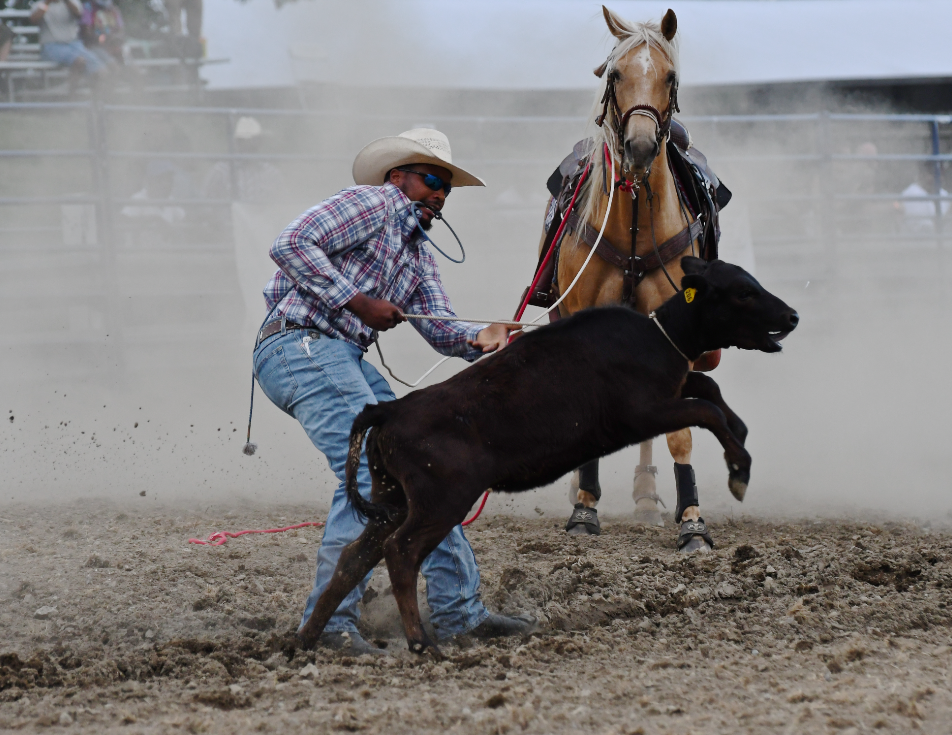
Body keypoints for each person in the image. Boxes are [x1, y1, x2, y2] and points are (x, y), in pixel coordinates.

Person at [253, 128, 536, 655]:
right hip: (301, 346)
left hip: (334, 355)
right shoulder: (373, 202)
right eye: (432, 179)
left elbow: (442, 327)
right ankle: (331, 624)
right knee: (368, 476)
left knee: (423, 469)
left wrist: (481, 338)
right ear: (396, 177)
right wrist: (357, 301)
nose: (440, 193)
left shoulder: (418, 253)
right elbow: (290, 243)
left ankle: (459, 614)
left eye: (446, 187)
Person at [203, 116, 283, 203]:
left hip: (265, 216)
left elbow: (284, 203)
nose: (253, 144)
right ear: (237, 142)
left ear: (260, 142)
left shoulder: (271, 173)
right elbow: (206, 204)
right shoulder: (221, 171)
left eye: (256, 140)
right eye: (246, 140)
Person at [29, 0, 107, 80]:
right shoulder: (40, 4)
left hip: (74, 45)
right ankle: (72, 92)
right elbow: (34, 19)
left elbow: (79, 14)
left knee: (101, 70)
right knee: (79, 61)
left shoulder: (73, 2)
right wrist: (47, 2)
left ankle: (96, 91)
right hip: (51, 47)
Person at [80, 0, 124, 67]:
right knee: (113, 66)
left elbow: (121, 31)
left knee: (130, 66)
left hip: (113, 46)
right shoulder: (87, 8)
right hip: (94, 47)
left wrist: (115, 41)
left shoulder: (113, 9)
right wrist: (103, 39)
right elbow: (86, 33)